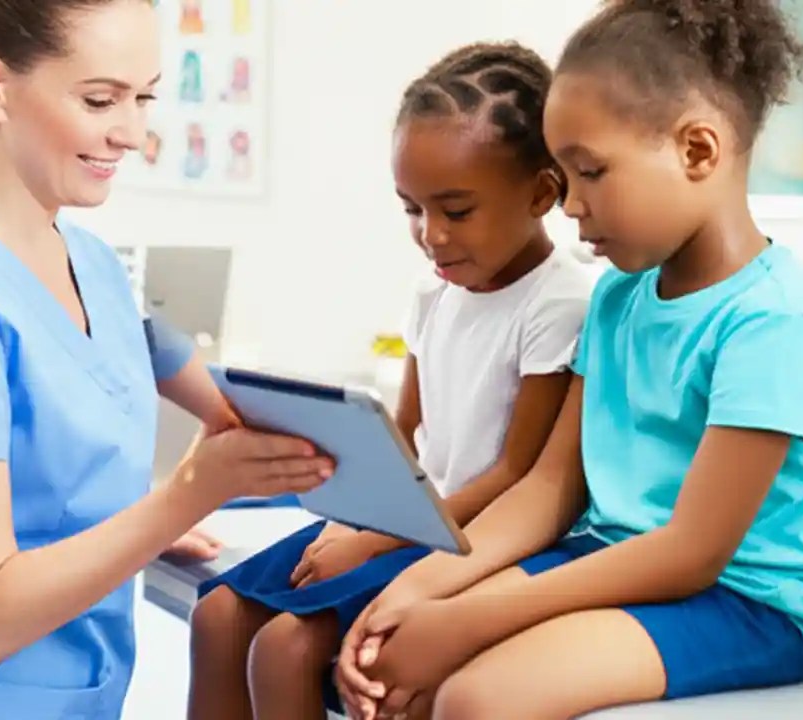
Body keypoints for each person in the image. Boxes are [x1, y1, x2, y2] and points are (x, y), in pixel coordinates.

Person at [335, 2, 803, 718]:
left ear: (698, 152)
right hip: (610, 555)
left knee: (476, 699)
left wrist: (473, 614)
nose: (570, 204)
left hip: (751, 603)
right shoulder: (620, 295)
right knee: (399, 655)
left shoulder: (775, 325)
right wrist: (421, 585)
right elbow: (550, 487)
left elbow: (691, 553)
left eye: (589, 172)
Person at [0, 2, 331, 718]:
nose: (132, 132)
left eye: (145, 97)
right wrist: (181, 498)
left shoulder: (87, 261)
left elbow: (145, 348)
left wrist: (254, 428)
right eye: (100, 99)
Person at [186, 41, 597, 720]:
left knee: (284, 648)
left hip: (467, 541)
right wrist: (347, 522)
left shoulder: (560, 304)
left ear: (542, 193)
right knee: (218, 619)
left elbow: (515, 478)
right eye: (412, 208)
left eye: (456, 211)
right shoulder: (432, 294)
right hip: (403, 522)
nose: (430, 235)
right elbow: (402, 437)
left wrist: (373, 540)